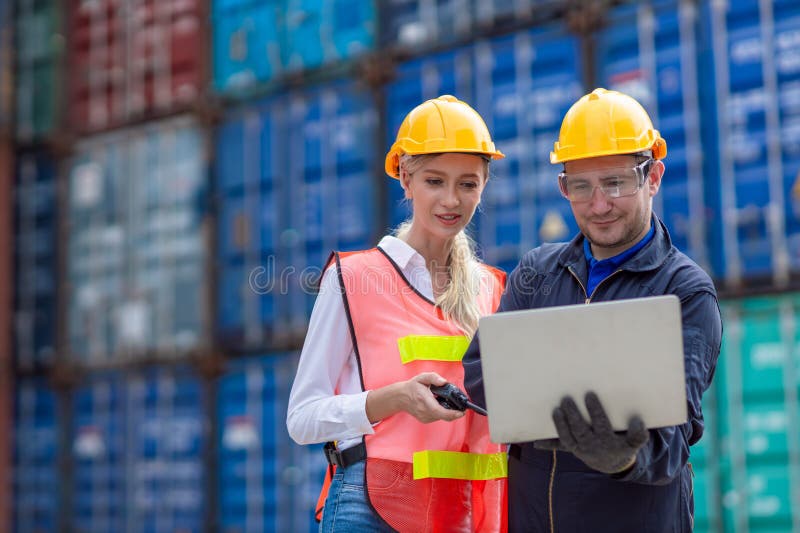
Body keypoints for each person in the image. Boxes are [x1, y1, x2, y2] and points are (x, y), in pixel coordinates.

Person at [462, 88, 723, 532]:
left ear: (654, 176)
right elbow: (481, 371)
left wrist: (623, 457)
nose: (598, 205)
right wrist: (542, 412)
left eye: (615, 183)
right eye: (580, 186)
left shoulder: (685, 291)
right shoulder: (536, 272)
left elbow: (676, 439)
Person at [288, 95, 510, 532]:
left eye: (467, 183)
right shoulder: (353, 277)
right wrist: (394, 399)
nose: (451, 199)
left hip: (460, 514)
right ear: (406, 180)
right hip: (370, 507)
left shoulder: (493, 289)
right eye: (434, 181)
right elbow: (302, 418)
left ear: (484, 185)